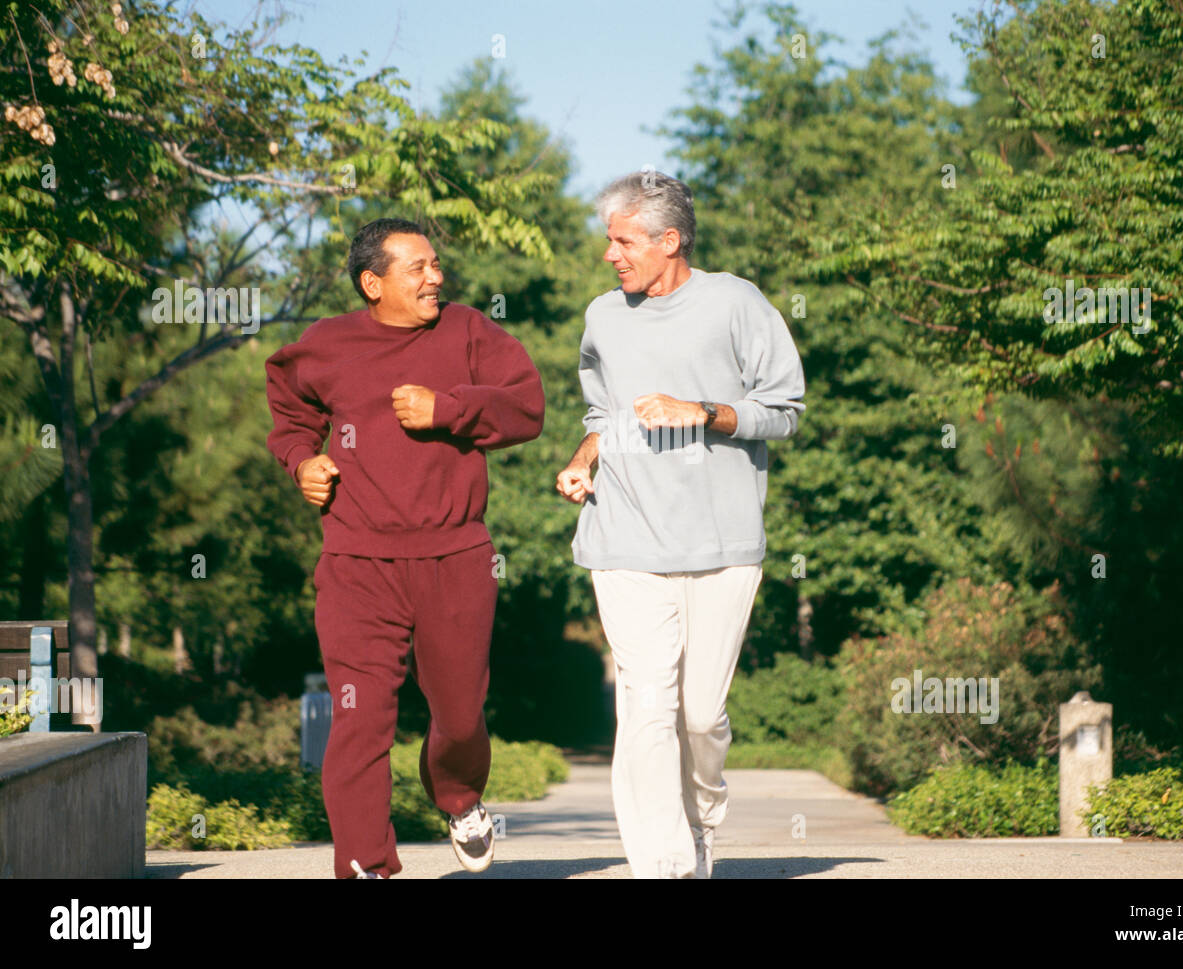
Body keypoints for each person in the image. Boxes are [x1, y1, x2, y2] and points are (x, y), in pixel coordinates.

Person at [265, 217, 545, 878]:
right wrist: (302, 460)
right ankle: (366, 865)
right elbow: (290, 410)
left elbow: (527, 407)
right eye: (418, 267)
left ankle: (458, 796)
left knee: (460, 712)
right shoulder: (327, 344)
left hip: (456, 558)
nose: (436, 277)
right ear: (373, 282)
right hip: (357, 565)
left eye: (436, 264)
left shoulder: (469, 330)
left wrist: (450, 408)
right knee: (360, 720)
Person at [555, 172, 805, 878]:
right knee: (645, 708)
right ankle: (662, 863)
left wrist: (707, 410)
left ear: (670, 241)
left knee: (699, 716)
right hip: (625, 537)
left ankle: (703, 817)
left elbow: (784, 408)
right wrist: (583, 460)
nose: (610, 254)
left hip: (722, 543)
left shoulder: (735, 302)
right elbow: (603, 415)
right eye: (609, 239)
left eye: (623, 239)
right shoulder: (603, 316)